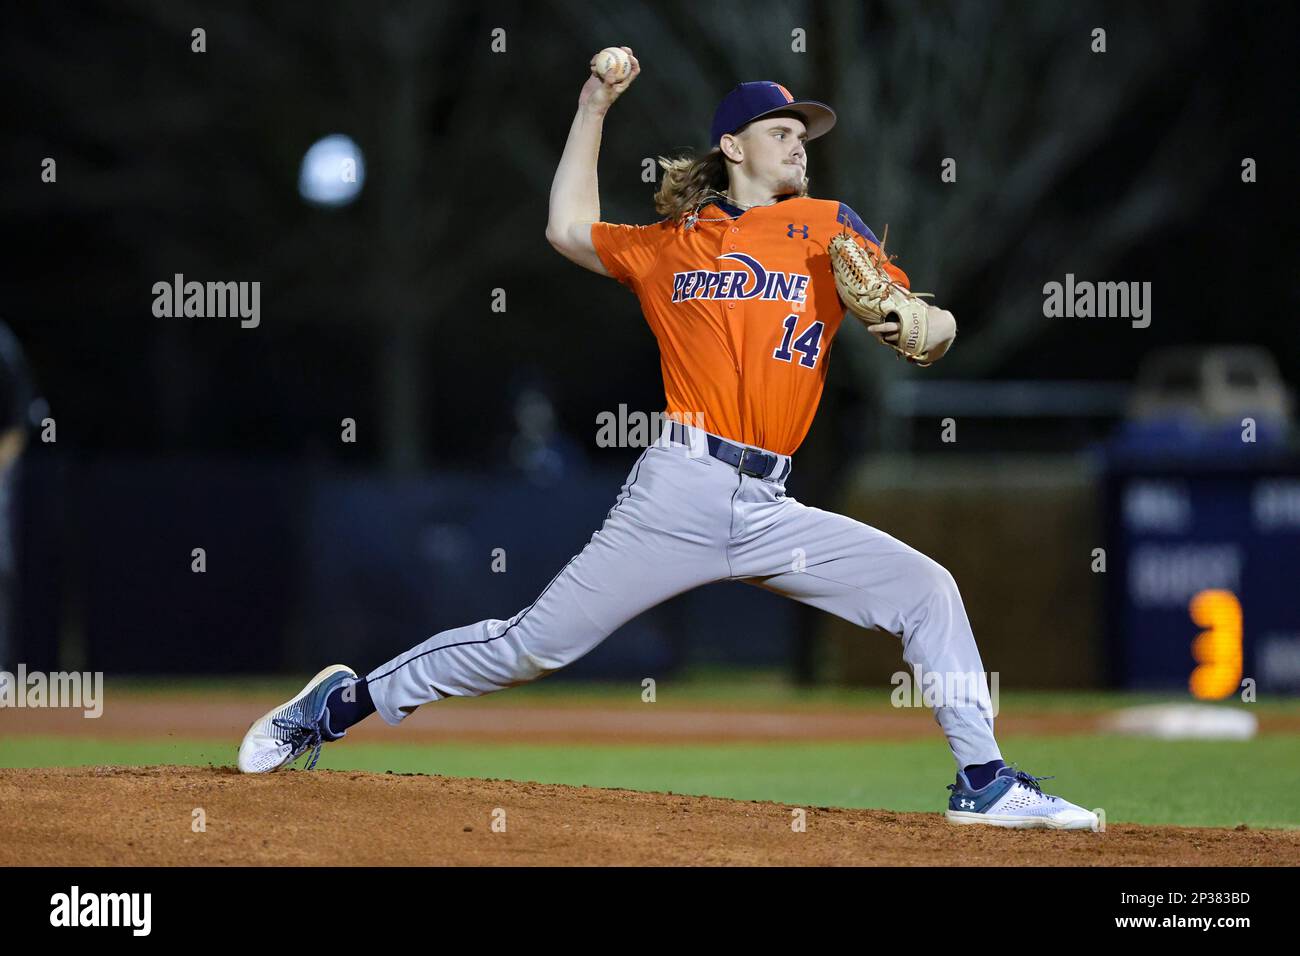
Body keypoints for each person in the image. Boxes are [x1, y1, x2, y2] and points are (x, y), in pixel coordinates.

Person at [239, 50, 1098, 830]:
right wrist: (592, 105)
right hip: (678, 491)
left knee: (927, 589)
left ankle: (982, 781)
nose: (800, 141)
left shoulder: (831, 226)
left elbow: (931, 328)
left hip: (771, 506)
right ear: (733, 144)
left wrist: (912, 319)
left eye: (805, 131)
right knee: (531, 645)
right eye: (782, 129)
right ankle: (341, 704)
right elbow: (566, 227)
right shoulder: (670, 247)